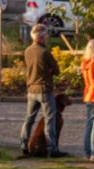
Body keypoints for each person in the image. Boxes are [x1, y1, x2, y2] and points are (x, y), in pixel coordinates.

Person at [19, 24, 65, 157]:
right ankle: (52, 149)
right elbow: (56, 71)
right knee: (49, 119)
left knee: (29, 118)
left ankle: (23, 144)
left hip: (31, 89)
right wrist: (49, 70)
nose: (48, 37)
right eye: (46, 35)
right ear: (42, 37)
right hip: (45, 89)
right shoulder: (45, 52)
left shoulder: (27, 51)